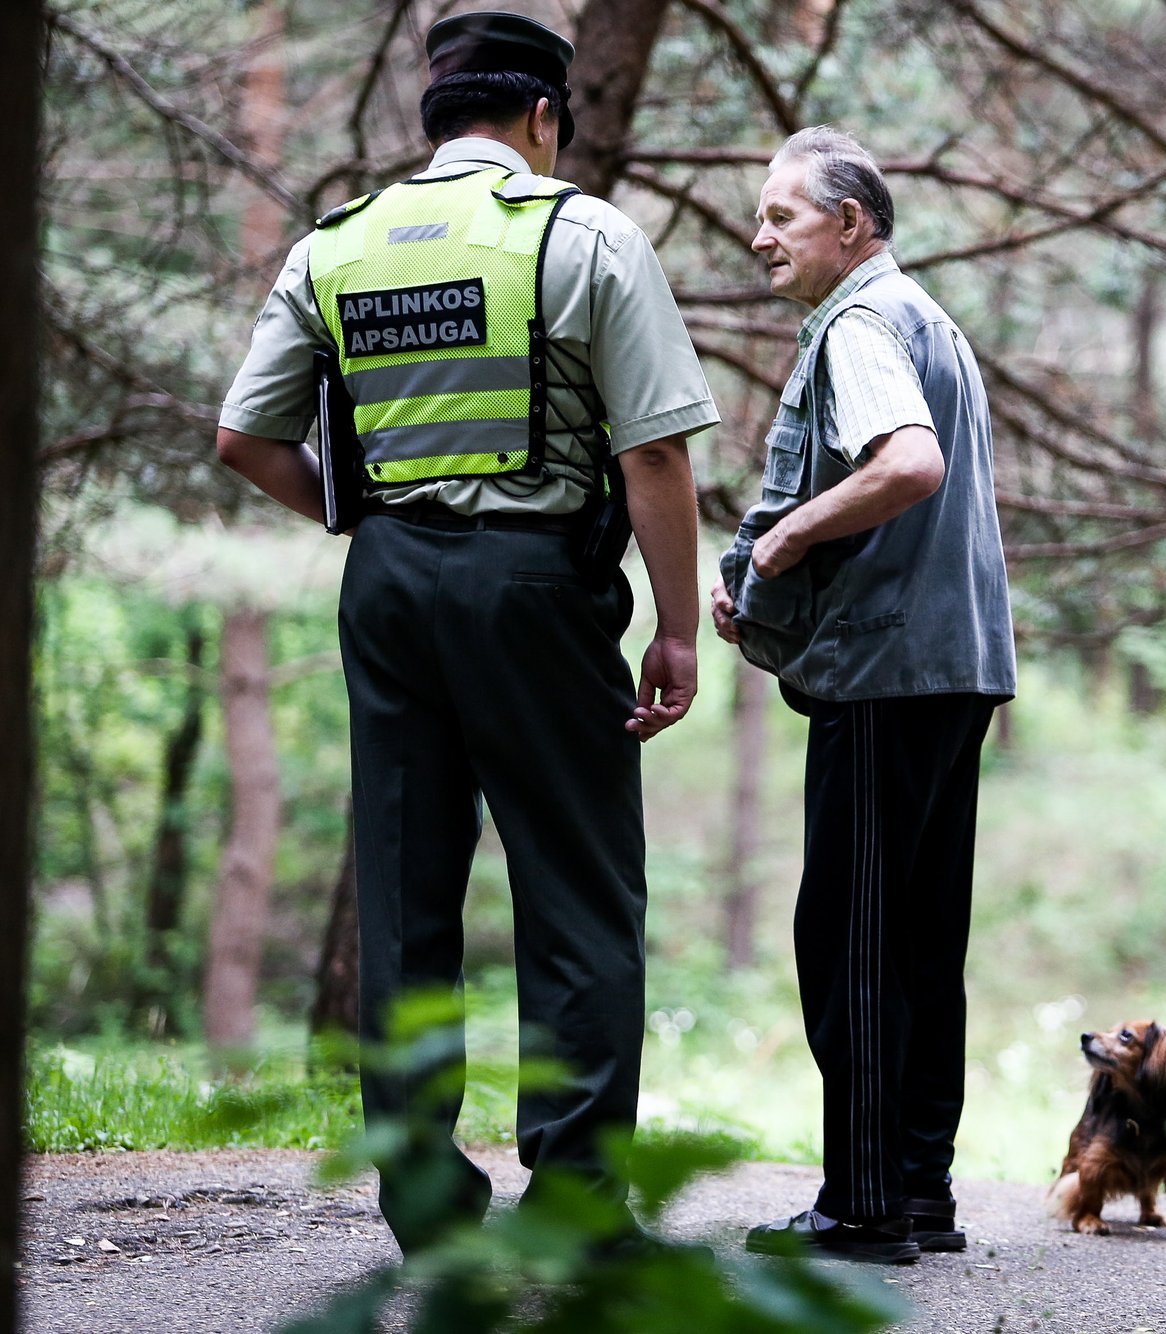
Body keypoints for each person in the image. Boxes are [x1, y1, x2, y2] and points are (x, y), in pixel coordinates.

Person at [215, 10, 716, 1253]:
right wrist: (675, 626)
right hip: (534, 589)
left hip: (385, 587)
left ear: (435, 116)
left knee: (404, 887)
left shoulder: (335, 247)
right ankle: (577, 1202)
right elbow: (650, 445)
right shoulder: (581, 234)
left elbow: (244, 438)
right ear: (544, 116)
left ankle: (426, 1204)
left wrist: (369, 522)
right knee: (578, 890)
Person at [712, 126, 1016, 1265]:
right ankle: (919, 1192)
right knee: (923, 941)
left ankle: (862, 1204)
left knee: (850, 941)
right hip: (954, 666)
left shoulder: (861, 324)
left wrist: (781, 538)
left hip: (888, 674)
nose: (759, 236)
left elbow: (908, 462)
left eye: (782, 215)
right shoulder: (930, 318)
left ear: (850, 224)